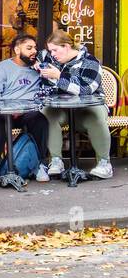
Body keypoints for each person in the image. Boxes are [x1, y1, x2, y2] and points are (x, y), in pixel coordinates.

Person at [38, 31, 113, 180]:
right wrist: (34, 62)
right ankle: (56, 160)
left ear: (66, 46)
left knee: (95, 117)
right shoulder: (50, 59)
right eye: (50, 50)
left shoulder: (90, 61)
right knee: (48, 114)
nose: (51, 54)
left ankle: (105, 163)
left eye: (55, 50)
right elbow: (35, 55)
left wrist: (59, 76)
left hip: (88, 107)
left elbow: (86, 89)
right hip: (62, 108)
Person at [0, 34, 48, 186]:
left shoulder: (38, 68)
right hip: (0, 111)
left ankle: (41, 164)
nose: (34, 51)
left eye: (35, 48)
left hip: (26, 112)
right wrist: (9, 109)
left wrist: (44, 69)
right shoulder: (2, 69)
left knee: (40, 120)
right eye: (29, 48)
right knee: (0, 122)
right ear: (17, 50)